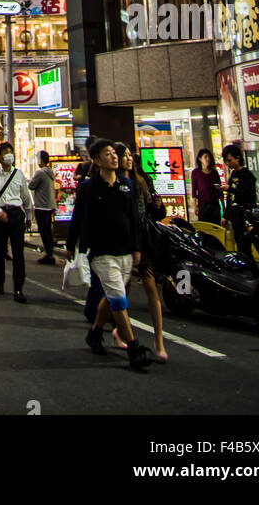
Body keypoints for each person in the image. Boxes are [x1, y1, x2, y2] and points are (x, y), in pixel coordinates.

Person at [66, 138, 152, 370]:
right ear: (96, 160)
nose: (114, 156)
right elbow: (78, 217)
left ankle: (94, 333)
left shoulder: (127, 185)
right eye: (107, 153)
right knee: (118, 298)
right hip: (102, 252)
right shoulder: (88, 187)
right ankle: (134, 348)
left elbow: (134, 218)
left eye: (114, 152)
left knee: (112, 294)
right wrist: (70, 244)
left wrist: (137, 248)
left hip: (124, 250)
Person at [114, 143, 167, 363]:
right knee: (120, 291)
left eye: (129, 155)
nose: (128, 158)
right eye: (123, 155)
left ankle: (159, 341)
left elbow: (156, 213)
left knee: (150, 285)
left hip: (143, 239)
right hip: (122, 240)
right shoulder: (113, 183)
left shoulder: (143, 180)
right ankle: (119, 329)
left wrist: (158, 206)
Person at [0, 142, 33, 301]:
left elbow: (25, 196)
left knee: (18, 253)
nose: (9, 155)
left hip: (16, 215)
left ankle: (19, 289)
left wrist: (29, 216)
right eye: (6, 153)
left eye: (11, 152)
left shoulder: (18, 174)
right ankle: (0, 283)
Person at [222, 144, 259, 255]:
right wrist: (225, 215)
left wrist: (231, 189)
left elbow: (248, 195)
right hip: (235, 216)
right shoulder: (234, 174)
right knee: (239, 245)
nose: (228, 164)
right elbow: (230, 197)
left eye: (230, 160)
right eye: (226, 161)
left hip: (245, 216)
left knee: (245, 245)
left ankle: (252, 270)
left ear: (238, 158)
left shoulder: (247, 175)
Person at [28, 150, 57, 264]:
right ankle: (50, 253)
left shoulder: (40, 172)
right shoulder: (50, 172)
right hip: (50, 205)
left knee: (44, 231)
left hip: (41, 206)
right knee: (48, 231)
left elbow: (31, 186)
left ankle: (48, 255)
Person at [191, 148, 224, 224]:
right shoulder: (196, 172)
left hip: (214, 205)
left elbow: (219, 189)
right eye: (205, 157)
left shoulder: (214, 172)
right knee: (204, 226)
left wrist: (223, 206)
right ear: (200, 159)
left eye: (209, 157)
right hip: (203, 205)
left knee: (215, 226)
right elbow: (194, 190)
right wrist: (195, 206)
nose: (208, 159)